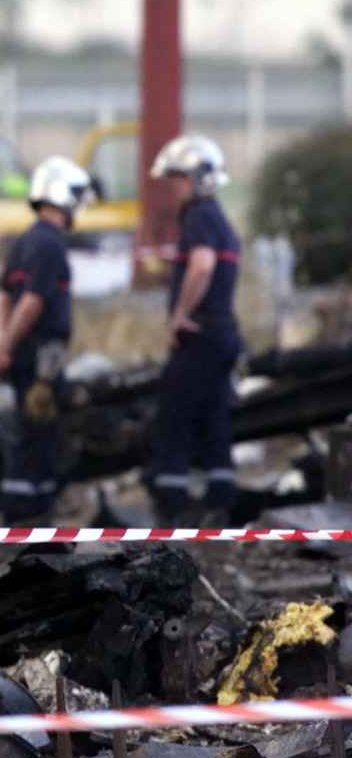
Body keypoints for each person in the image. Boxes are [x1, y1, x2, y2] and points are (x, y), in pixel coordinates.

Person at [0, 156, 94, 523]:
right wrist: (6, 347)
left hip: (22, 352)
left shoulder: (24, 241)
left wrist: (1, 344)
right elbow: (32, 301)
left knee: (28, 428)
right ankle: (28, 516)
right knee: (38, 434)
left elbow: (1, 297)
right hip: (41, 354)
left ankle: (24, 510)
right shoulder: (51, 244)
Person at [147, 134, 240, 524]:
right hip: (224, 334)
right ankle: (221, 502)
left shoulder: (198, 216)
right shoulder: (219, 217)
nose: (172, 188)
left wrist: (180, 314)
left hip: (201, 335)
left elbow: (202, 266)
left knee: (174, 417)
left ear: (198, 178)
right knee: (215, 419)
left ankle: (172, 509)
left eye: (177, 179)